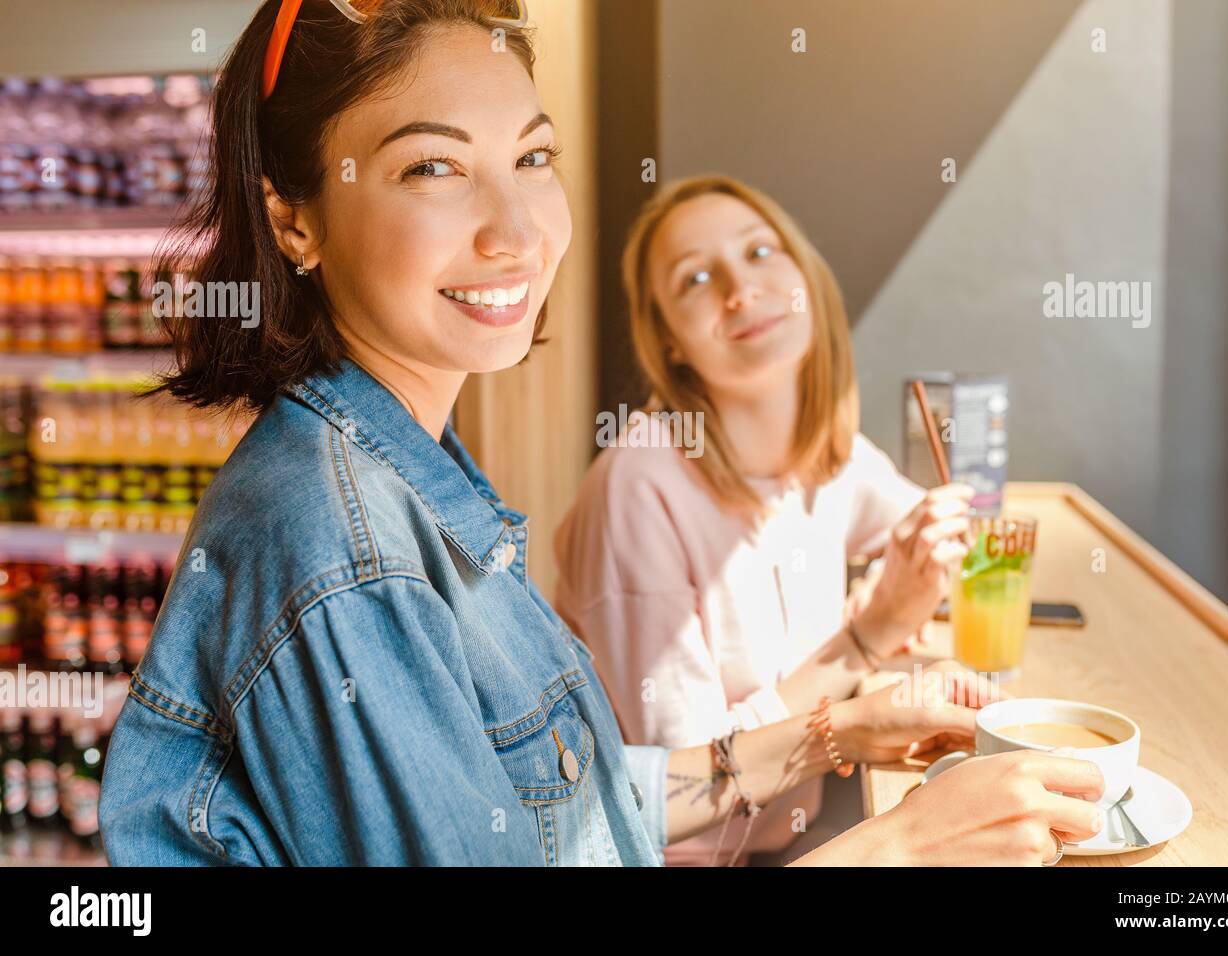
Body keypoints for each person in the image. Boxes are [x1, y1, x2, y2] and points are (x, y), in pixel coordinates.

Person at [98, 0, 1105, 866]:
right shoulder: (341, 542)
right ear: (294, 220)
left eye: (532, 157)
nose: (517, 230)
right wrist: (901, 842)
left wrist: (828, 733)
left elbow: (556, 810)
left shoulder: (394, 463)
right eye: (432, 169)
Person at [553, 175, 983, 864]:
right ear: (669, 342)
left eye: (758, 252)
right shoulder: (637, 488)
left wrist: (927, 554)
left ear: (804, 277)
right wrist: (867, 637)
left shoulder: (825, 455)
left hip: (797, 837)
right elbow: (691, 796)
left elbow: (932, 535)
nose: (739, 288)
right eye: (695, 278)